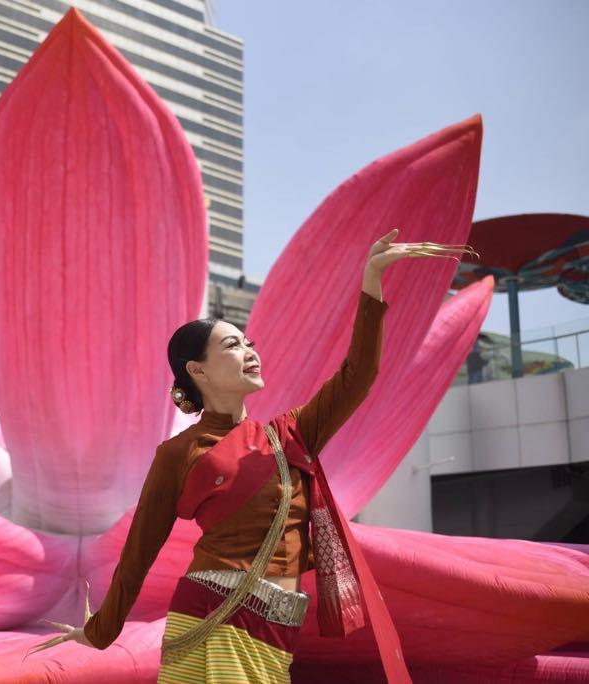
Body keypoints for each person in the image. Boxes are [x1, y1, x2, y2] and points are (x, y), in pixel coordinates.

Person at [29, 229, 476, 682]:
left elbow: (357, 375)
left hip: (278, 625)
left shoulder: (291, 434)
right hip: (212, 613)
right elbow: (139, 549)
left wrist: (373, 278)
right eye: (232, 345)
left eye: (249, 342)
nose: (249, 351)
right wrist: (101, 630)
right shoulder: (179, 452)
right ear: (197, 370)